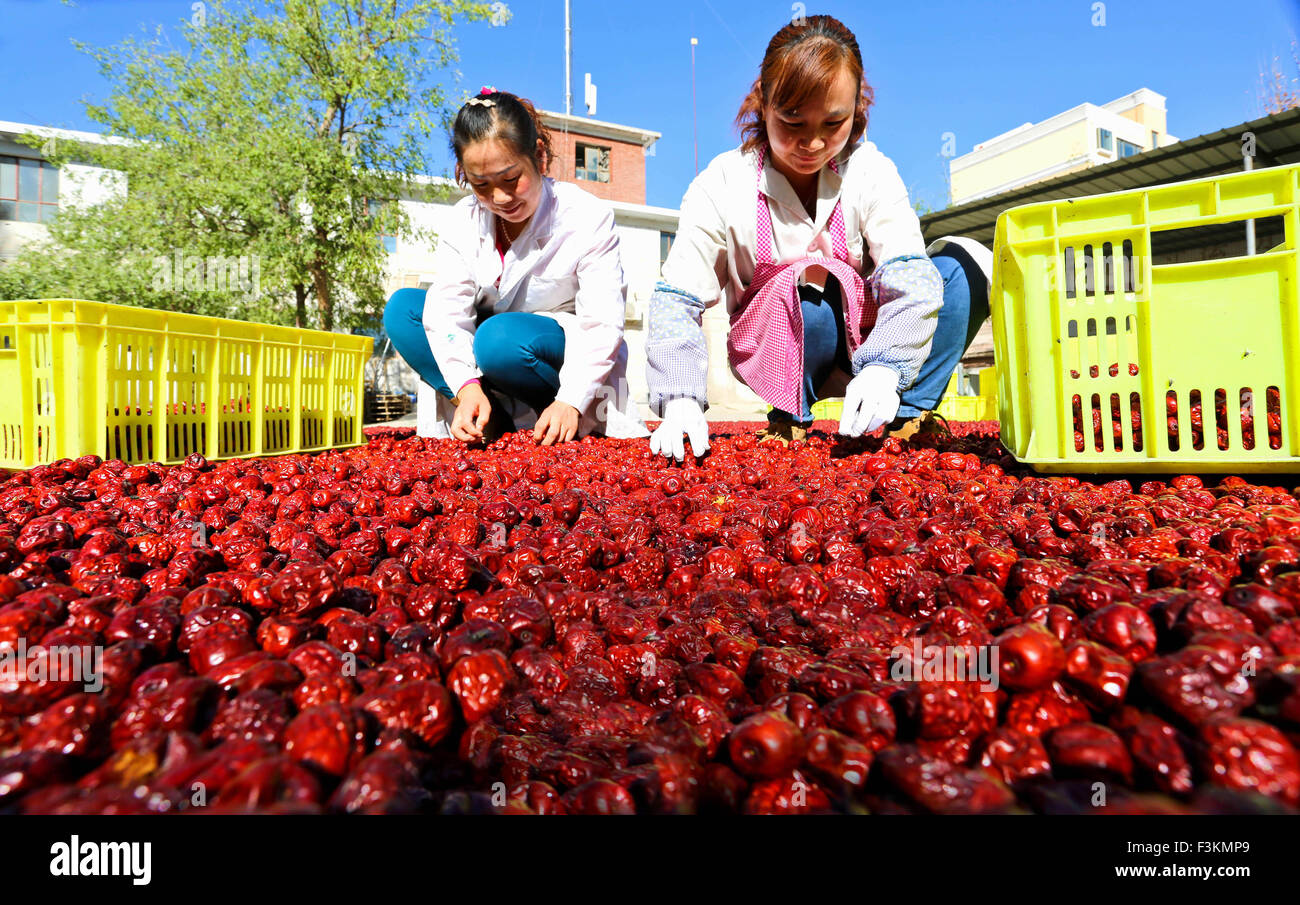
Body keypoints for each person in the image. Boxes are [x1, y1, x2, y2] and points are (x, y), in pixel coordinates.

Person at [646, 15, 991, 461]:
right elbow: (676, 298)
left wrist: (886, 366)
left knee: (962, 266)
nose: (812, 143)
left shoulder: (871, 171)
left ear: (856, 108)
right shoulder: (723, 183)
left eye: (833, 123)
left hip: (870, 342)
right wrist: (679, 399)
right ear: (763, 104)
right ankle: (791, 416)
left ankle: (903, 413)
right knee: (810, 290)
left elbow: (911, 275)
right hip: (782, 345)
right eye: (792, 122)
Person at [383, 87, 648, 444]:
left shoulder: (585, 217)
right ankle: (486, 414)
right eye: (482, 185)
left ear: (538, 156)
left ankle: (556, 414)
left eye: (511, 179)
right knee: (405, 310)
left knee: (498, 339)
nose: (500, 198)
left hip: (544, 356)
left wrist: (571, 398)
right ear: (464, 174)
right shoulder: (464, 221)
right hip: (489, 359)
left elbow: (601, 321)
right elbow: (447, 311)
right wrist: (464, 386)